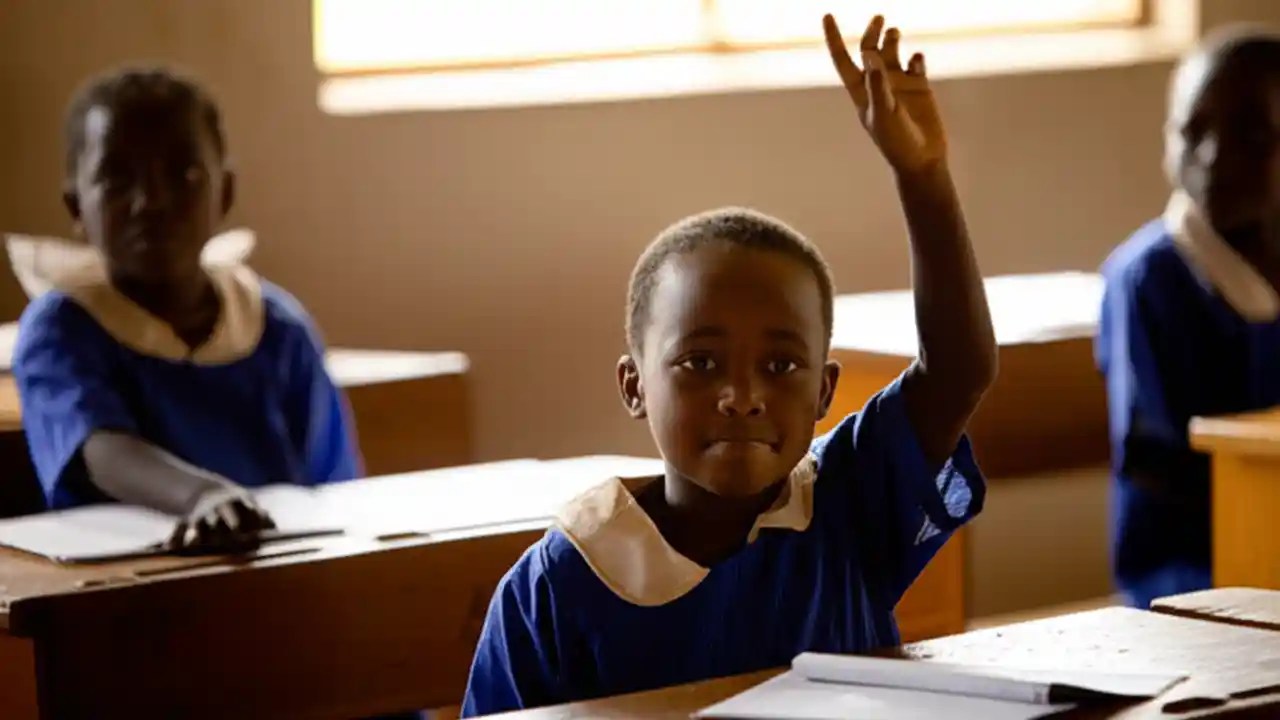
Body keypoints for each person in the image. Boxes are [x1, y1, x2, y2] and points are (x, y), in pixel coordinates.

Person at [460, 13, 997, 716]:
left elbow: (957, 371)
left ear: (825, 392)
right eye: (700, 362)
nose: (741, 394)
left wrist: (922, 176)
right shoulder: (560, 584)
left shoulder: (847, 508)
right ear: (634, 385)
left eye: (781, 367)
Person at [12, 67, 362, 553]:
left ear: (226, 193)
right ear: (76, 208)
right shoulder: (62, 330)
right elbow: (103, 451)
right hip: (122, 594)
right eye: (117, 179)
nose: (150, 201)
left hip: (283, 576)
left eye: (184, 174)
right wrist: (205, 496)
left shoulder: (276, 326)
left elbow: (332, 482)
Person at [1096, 26, 1280, 608]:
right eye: (1193, 131)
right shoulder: (1148, 280)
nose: (1216, 156)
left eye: (1253, 135)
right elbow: (1160, 463)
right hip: (1188, 576)